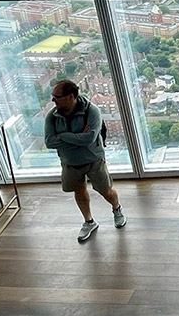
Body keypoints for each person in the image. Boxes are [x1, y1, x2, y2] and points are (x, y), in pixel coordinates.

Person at [44, 79, 125, 243]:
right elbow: (49, 142)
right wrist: (77, 137)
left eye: (57, 97)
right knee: (79, 191)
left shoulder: (91, 111)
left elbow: (89, 139)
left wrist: (63, 136)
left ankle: (117, 209)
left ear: (70, 96)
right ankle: (89, 222)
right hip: (69, 161)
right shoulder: (52, 116)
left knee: (106, 190)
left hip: (94, 159)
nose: (53, 100)